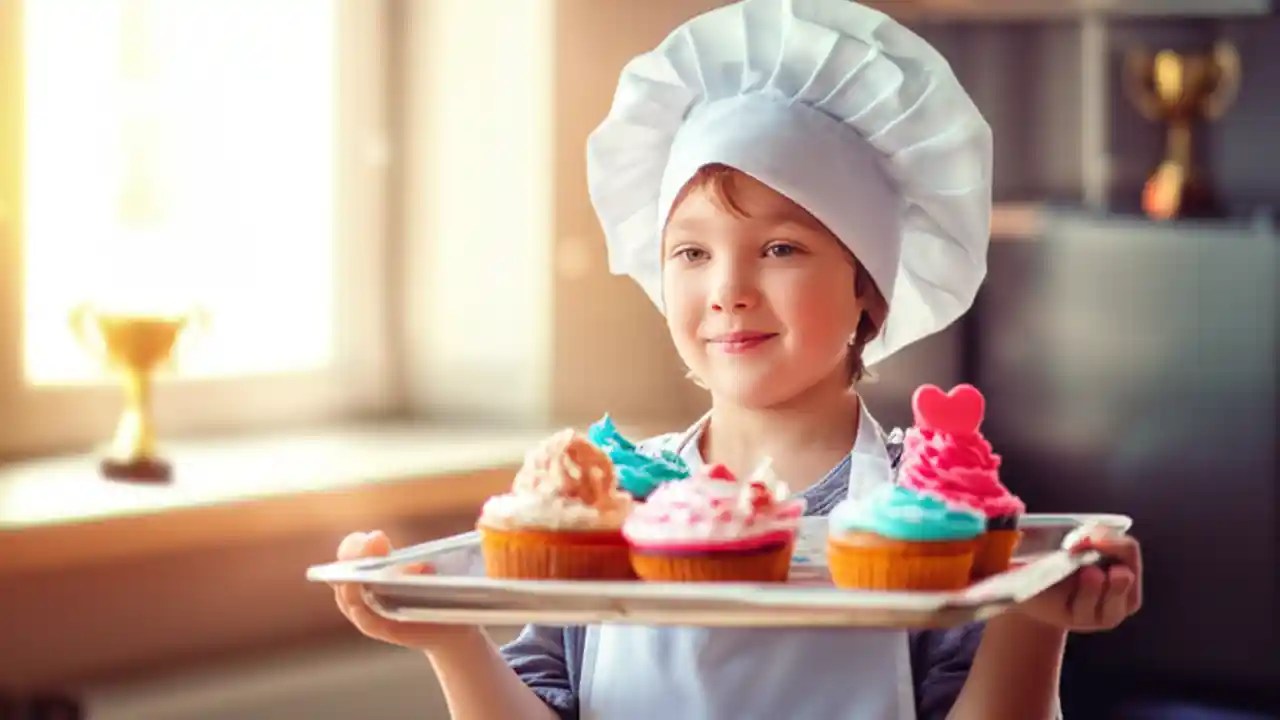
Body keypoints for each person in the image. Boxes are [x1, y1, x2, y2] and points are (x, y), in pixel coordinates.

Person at [332, 1, 1143, 717]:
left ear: (869, 287)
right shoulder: (604, 511)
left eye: (781, 247)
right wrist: (451, 641)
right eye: (690, 253)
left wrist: (1036, 625)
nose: (728, 289)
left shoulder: (930, 521)